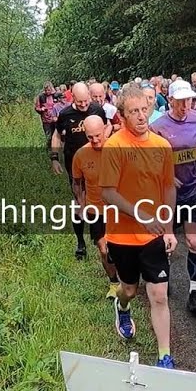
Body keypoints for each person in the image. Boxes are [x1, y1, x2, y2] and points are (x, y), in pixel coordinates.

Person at [101, 85, 179, 369]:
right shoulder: (114, 147)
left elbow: (169, 187)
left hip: (154, 235)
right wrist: (141, 215)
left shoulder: (161, 146)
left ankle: (164, 356)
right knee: (130, 290)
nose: (141, 116)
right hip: (122, 234)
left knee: (158, 294)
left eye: (144, 109)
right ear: (121, 116)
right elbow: (108, 192)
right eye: (133, 111)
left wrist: (168, 228)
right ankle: (122, 306)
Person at [151, 79, 196, 318]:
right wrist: (165, 175)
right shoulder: (158, 126)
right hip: (167, 194)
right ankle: (162, 282)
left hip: (193, 189)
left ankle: (194, 293)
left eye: (188, 100)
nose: (185, 105)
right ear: (170, 100)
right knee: (165, 243)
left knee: (194, 242)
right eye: (180, 101)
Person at [51, 83, 108, 260]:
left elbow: (106, 127)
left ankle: (102, 236)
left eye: (86, 101)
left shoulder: (98, 110)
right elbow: (57, 134)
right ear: (72, 98)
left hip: (96, 162)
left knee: (97, 198)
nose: (83, 105)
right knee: (79, 202)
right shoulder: (65, 114)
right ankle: (80, 242)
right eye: (79, 101)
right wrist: (54, 157)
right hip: (74, 162)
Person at [70, 116, 119, 295]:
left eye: (98, 135)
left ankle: (131, 277)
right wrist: (81, 204)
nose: (95, 140)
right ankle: (114, 283)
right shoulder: (81, 155)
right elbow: (77, 182)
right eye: (90, 137)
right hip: (96, 209)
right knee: (103, 248)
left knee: (121, 248)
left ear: (105, 129)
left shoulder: (117, 148)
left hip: (119, 209)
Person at [35, 82, 58, 148]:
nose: (48, 92)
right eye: (46, 90)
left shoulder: (55, 95)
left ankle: (55, 150)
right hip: (46, 119)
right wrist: (41, 109)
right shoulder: (41, 96)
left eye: (49, 90)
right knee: (48, 136)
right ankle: (49, 149)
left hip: (55, 118)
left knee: (55, 135)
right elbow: (36, 107)